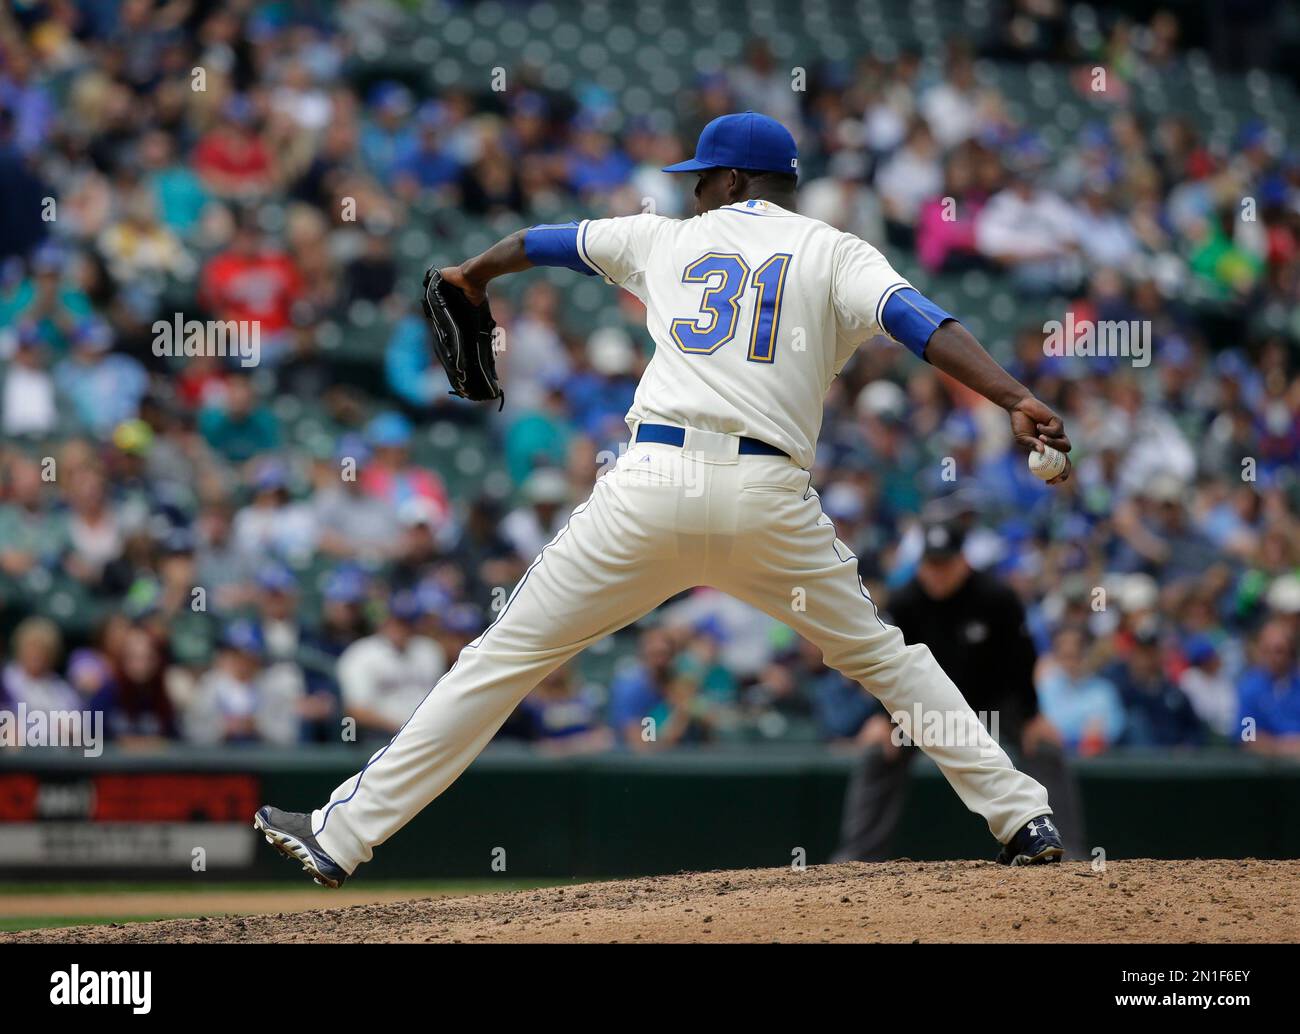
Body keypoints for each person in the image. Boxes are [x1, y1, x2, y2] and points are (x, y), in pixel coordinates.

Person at [256, 112, 1074, 887]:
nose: (689, 190)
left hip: (651, 489)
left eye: (698, 177)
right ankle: (1022, 819)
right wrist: (1012, 397)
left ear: (728, 179)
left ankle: (341, 837)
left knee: (501, 660)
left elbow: (536, 243)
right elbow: (922, 322)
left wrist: (472, 275)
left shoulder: (662, 239)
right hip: (767, 497)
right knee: (889, 664)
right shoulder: (837, 251)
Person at [834, 518, 1085, 861]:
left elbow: (1021, 660)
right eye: (930, 564)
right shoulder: (905, 602)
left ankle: (1068, 853)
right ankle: (857, 857)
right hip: (924, 714)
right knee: (880, 751)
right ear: (919, 564)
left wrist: (1031, 714)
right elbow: (883, 665)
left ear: (963, 561)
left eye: (945, 564)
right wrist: (882, 716)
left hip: (990, 710)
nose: (937, 573)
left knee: (1044, 747)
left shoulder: (996, 598)